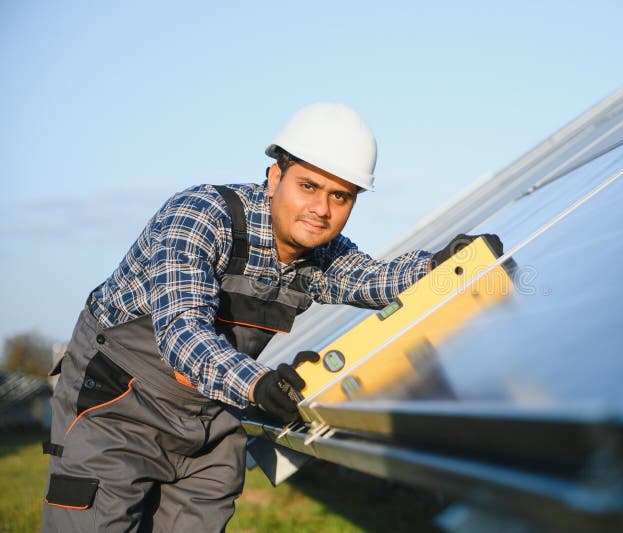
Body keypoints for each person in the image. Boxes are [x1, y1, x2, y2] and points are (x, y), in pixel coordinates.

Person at [41, 103, 498, 532]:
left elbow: (371, 279)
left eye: (341, 196)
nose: (321, 209)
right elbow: (183, 332)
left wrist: (439, 268)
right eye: (308, 187)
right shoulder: (201, 216)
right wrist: (258, 385)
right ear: (275, 175)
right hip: (116, 409)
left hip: (208, 421)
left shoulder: (318, 253)